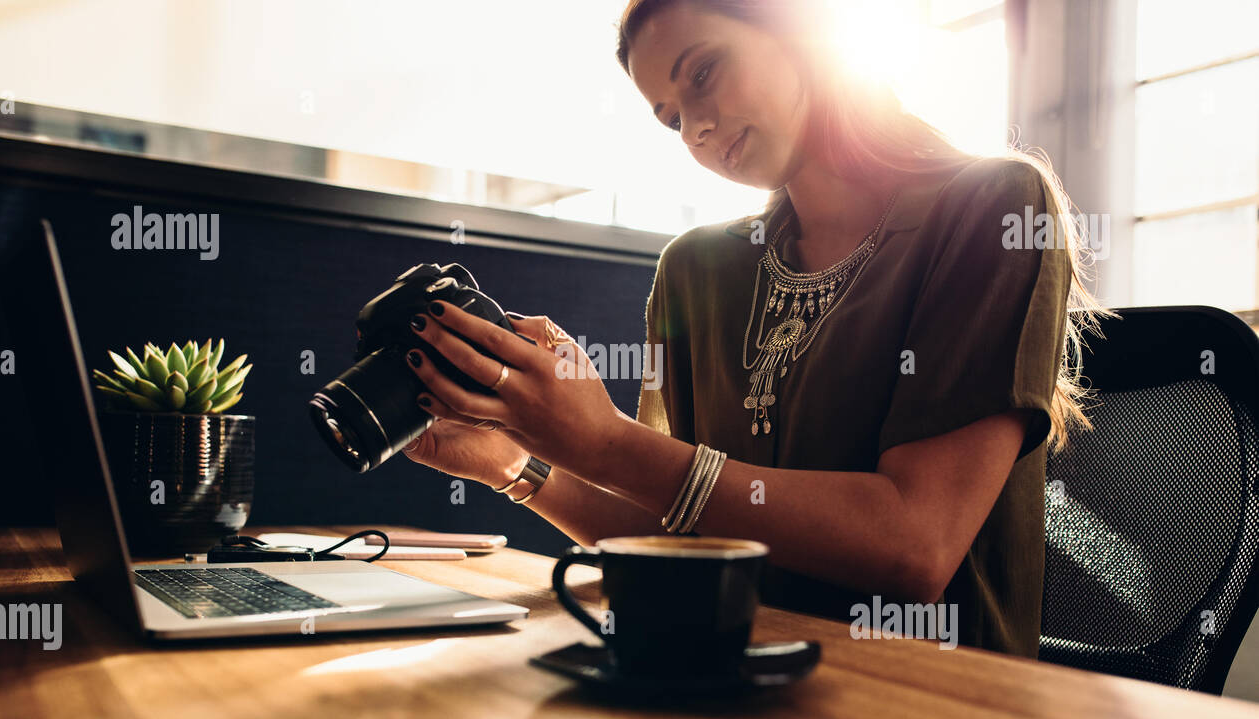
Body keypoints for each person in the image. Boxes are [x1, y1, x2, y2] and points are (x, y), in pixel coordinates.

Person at [398, 0, 1110, 658]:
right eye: (672, 118)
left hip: (929, 695)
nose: (697, 129)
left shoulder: (992, 207)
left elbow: (915, 546)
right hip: (733, 677)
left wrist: (608, 441)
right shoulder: (696, 268)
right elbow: (676, 533)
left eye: (703, 73)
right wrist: (513, 461)